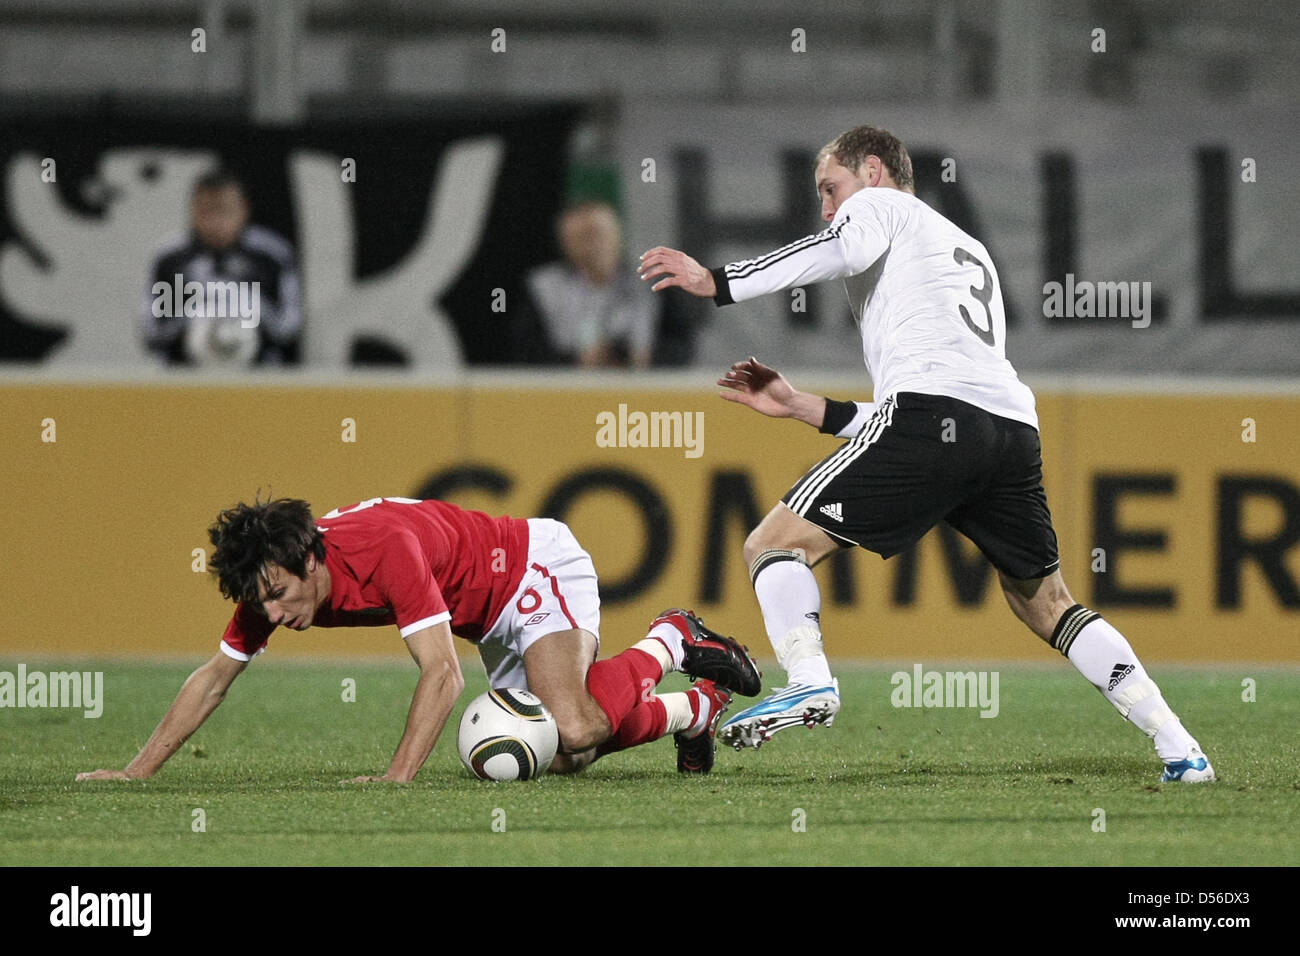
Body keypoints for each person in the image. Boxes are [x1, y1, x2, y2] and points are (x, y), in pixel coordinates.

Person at [637, 125, 1214, 783]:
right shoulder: (964, 247)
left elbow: (850, 276)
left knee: (773, 544)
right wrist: (807, 409)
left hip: (936, 415)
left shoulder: (877, 207)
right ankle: (1180, 748)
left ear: (874, 170)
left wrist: (718, 281)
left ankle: (810, 680)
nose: (829, 209)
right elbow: (926, 417)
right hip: (1008, 431)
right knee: (1045, 602)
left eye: (832, 189)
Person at [75, 496, 761, 783]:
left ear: (310, 560)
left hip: (532, 567)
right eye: (264, 602)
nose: (275, 614)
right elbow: (214, 678)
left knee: (576, 729)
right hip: (488, 617)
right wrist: (136, 773)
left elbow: (442, 675)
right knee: (559, 759)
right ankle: (694, 710)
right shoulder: (273, 580)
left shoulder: (385, 549)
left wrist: (394, 779)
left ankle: (670, 637)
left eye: (280, 596)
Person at [141, 169, 302, 367]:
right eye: (205, 211)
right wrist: (196, 311)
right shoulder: (168, 257)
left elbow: (290, 329)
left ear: (244, 209)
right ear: (193, 210)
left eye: (224, 211)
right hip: (183, 379)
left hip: (258, 379)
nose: (215, 222)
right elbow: (151, 332)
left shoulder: (271, 255)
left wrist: (248, 306)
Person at [521, 200, 657, 368]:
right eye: (579, 238)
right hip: (567, 388)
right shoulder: (543, 287)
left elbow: (681, 345)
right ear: (565, 243)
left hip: (645, 388)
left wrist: (641, 358)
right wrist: (575, 361)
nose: (590, 246)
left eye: (595, 234)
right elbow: (525, 352)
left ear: (617, 234)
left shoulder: (655, 282)